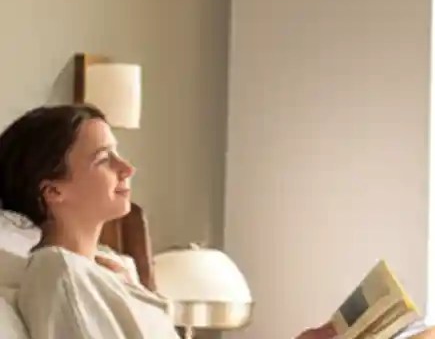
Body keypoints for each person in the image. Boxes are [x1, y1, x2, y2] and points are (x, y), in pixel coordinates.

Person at [0, 104, 337, 339]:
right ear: (53, 191)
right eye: (103, 159)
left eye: (117, 153)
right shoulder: (59, 274)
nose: (126, 168)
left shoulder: (110, 267)